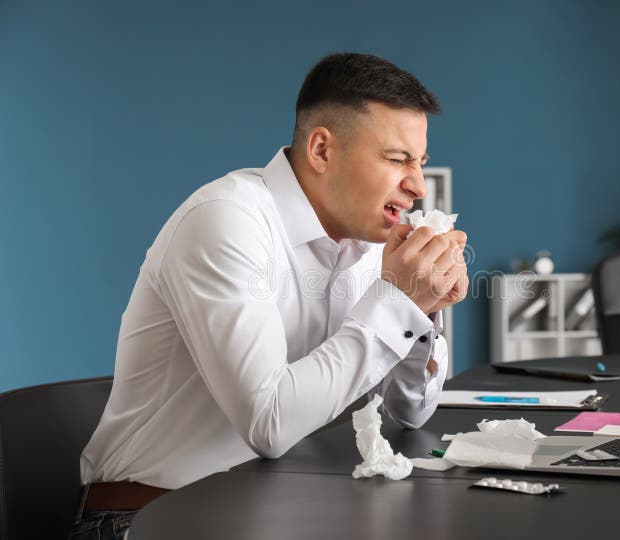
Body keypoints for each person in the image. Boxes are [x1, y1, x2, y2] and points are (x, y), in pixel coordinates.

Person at [69, 52, 468, 540]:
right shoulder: (226, 220)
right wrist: (398, 301)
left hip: (274, 508)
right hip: (145, 518)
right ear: (322, 150)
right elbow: (271, 422)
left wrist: (421, 309)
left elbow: (412, 412)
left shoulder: (365, 245)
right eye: (396, 159)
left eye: (420, 162)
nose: (418, 186)